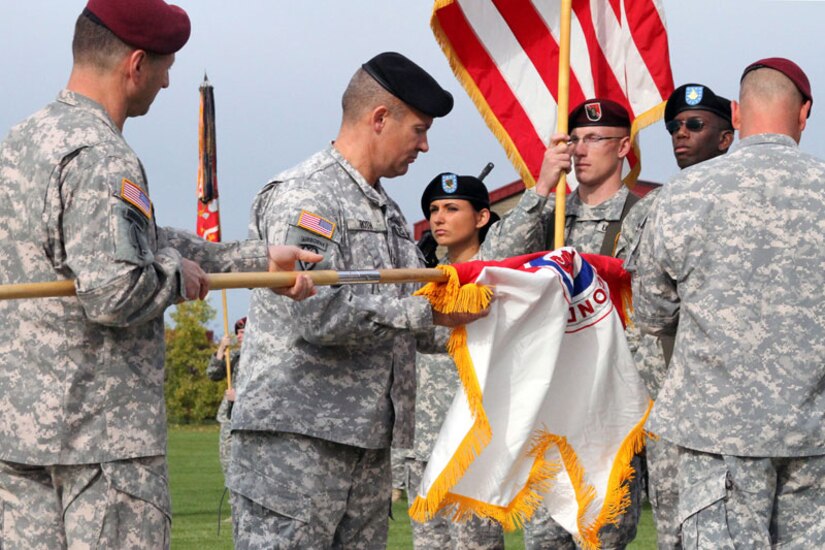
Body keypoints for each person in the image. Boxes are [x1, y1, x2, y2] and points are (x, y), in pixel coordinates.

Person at [0, 2, 318, 548]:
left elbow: (133, 242)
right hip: (102, 447)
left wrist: (260, 260)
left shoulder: (20, 143)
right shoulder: (102, 154)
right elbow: (113, 291)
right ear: (136, 63)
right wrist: (176, 276)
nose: (168, 82)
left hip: (20, 439)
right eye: (166, 67)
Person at [228, 52, 488, 549]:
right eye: (418, 129)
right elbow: (318, 314)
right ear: (379, 118)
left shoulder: (386, 210)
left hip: (364, 445)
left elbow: (419, 312)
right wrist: (428, 311)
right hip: (297, 444)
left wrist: (497, 314)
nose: (425, 145)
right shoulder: (309, 197)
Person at [633, 57, 825, 547]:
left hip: (716, 441)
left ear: (736, 115)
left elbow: (652, 313)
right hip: (815, 439)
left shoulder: (682, 196)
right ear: (805, 113)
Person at [408, 170, 554, 549]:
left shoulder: (494, 274)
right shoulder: (422, 276)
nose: (439, 217)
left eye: (452, 208)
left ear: (482, 217)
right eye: (434, 209)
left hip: (471, 440)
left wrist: (542, 186)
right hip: (424, 441)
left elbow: (518, 232)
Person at [524, 98, 646, 549]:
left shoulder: (643, 217)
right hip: (551, 407)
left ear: (623, 147)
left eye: (594, 138)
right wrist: (541, 187)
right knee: (543, 539)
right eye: (574, 139)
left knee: (603, 539)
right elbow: (495, 258)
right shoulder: (550, 214)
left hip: (608, 413)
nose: (579, 149)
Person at [621, 82, 733, 550]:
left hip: (728, 395)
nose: (680, 134)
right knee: (672, 523)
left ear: (726, 138)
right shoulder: (651, 209)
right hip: (664, 392)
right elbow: (632, 292)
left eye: (695, 125)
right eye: (674, 127)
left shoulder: (744, 202)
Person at [207, 316, 247, 482]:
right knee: (228, 466)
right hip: (230, 417)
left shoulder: (262, 357)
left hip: (249, 418)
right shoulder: (235, 356)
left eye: (243, 332)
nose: (239, 336)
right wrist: (221, 350)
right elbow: (213, 374)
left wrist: (240, 397)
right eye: (237, 332)